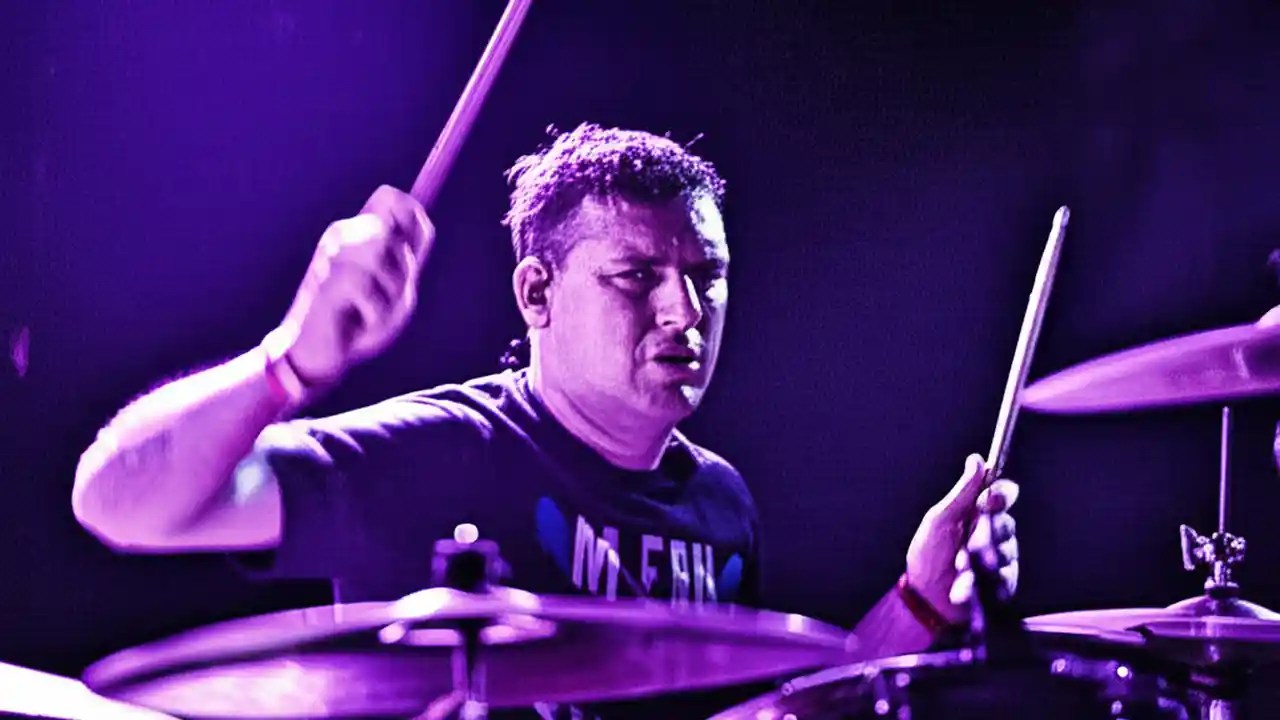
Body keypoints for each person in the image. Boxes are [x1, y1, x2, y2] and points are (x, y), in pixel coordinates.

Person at [71, 123, 1019, 718]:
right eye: (637, 276)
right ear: (537, 293)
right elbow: (116, 502)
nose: (686, 311)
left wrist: (922, 601)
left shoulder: (720, 502)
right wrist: (291, 361)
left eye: (707, 276)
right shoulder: (436, 452)